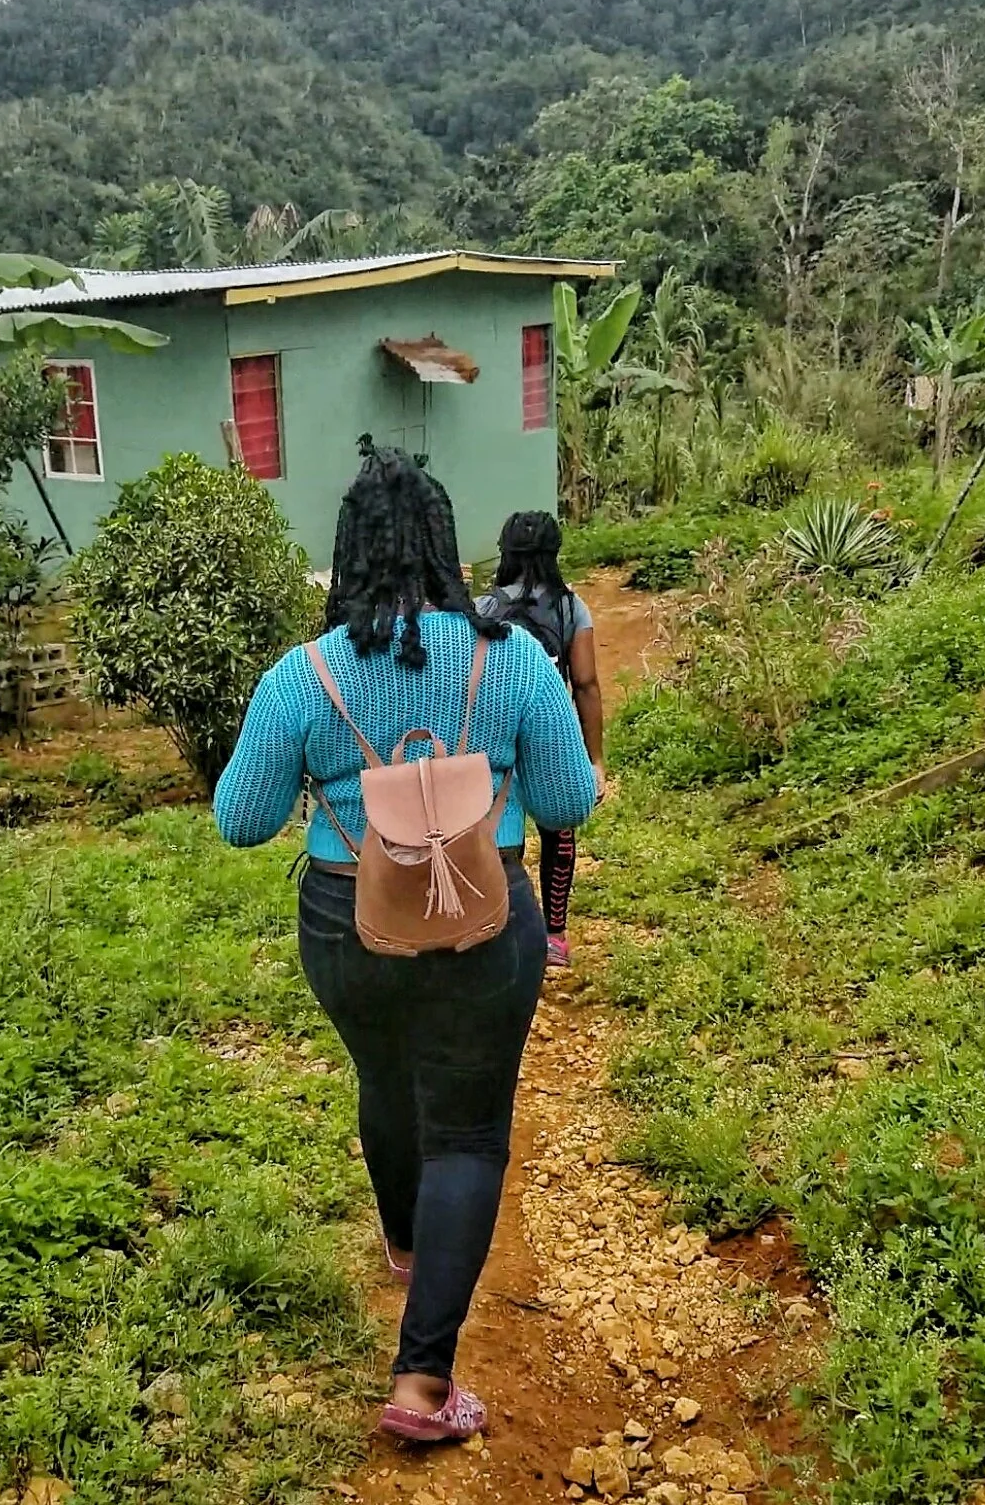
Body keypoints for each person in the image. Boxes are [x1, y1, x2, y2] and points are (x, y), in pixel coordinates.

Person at [214, 446, 595, 1445]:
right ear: (442, 549)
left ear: (345, 557)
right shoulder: (512, 657)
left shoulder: (299, 676)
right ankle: (424, 1380)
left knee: (383, 1075)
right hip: (482, 917)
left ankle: (405, 1240)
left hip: (348, 923)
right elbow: (564, 800)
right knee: (466, 1130)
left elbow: (241, 819)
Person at [476, 511, 605, 970]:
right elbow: (586, 684)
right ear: (555, 553)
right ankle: (555, 936)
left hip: (497, 743)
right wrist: (594, 761)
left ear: (505, 552)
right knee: (559, 831)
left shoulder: (485, 609)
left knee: (494, 831)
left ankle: (494, 919)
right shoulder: (571, 608)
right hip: (554, 737)